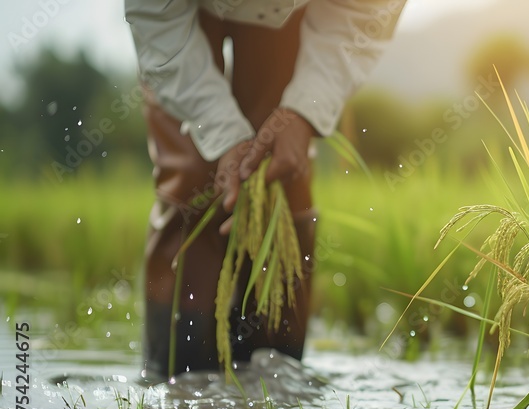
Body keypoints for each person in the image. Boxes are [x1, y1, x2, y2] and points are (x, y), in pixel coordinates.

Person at [124, 0, 404, 377]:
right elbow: (156, 18)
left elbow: (367, 12)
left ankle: (276, 382)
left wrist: (304, 109)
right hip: (178, 15)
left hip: (292, 15)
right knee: (193, 179)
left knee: (281, 178)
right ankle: (177, 382)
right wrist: (222, 134)